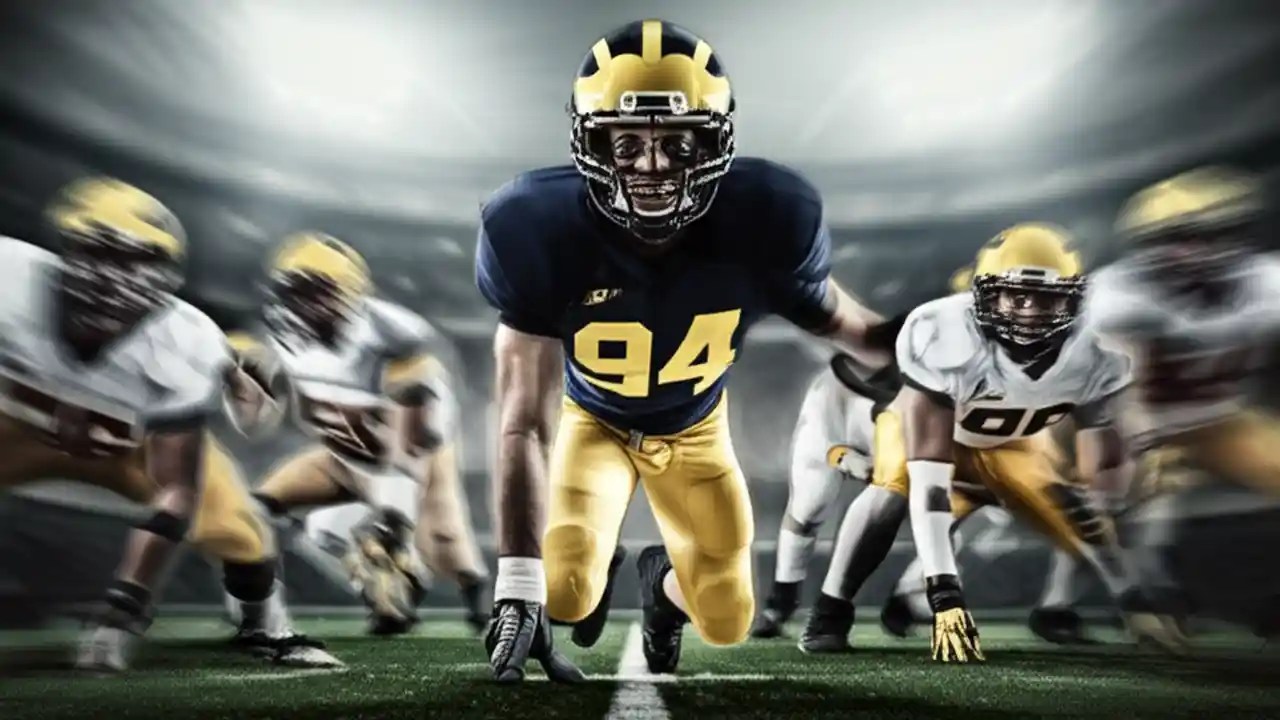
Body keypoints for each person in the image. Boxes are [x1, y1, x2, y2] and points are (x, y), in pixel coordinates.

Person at [474, 19, 898, 681]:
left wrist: (934, 359)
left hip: (696, 428)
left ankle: (657, 590)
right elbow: (523, 420)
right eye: (627, 144)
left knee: (726, 617)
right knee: (557, 592)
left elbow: (856, 330)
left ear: (714, 142)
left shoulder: (767, 219)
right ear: (590, 141)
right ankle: (591, 562)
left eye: (678, 144)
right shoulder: (534, 227)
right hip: (596, 424)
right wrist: (516, 581)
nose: (651, 167)